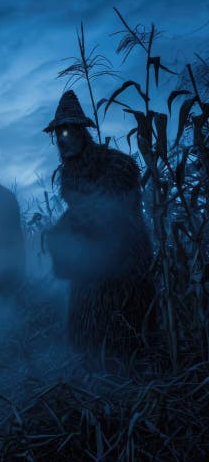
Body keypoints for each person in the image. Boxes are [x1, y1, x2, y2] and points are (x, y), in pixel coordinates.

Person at [44, 91, 155, 356]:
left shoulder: (116, 164)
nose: (62, 139)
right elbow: (79, 212)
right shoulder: (68, 177)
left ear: (83, 132)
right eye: (58, 134)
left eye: (69, 132)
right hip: (89, 265)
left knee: (126, 333)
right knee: (86, 333)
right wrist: (59, 234)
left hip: (122, 263)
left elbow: (114, 213)